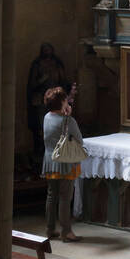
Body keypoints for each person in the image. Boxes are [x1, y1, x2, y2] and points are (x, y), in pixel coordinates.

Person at [42, 86, 83, 242]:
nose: (67, 102)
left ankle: (50, 229)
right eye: (65, 100)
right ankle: (66, 232)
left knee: (51, 195)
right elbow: (79, 140)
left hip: (49, 161)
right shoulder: (68, 121)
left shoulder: (46, 117)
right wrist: (68, 117)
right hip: (65, 162)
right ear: (61, 103)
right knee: (65, 197)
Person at [26, 43, 67, 171]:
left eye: (49, 50)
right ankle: (40, 154)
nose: (48, 52)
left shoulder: (57, 63)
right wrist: (42, 80)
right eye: (45, 50)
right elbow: (32, 84)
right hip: (41, 100)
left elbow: (63, 80)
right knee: (41, 127)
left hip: (56, 100)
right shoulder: (37, 65)